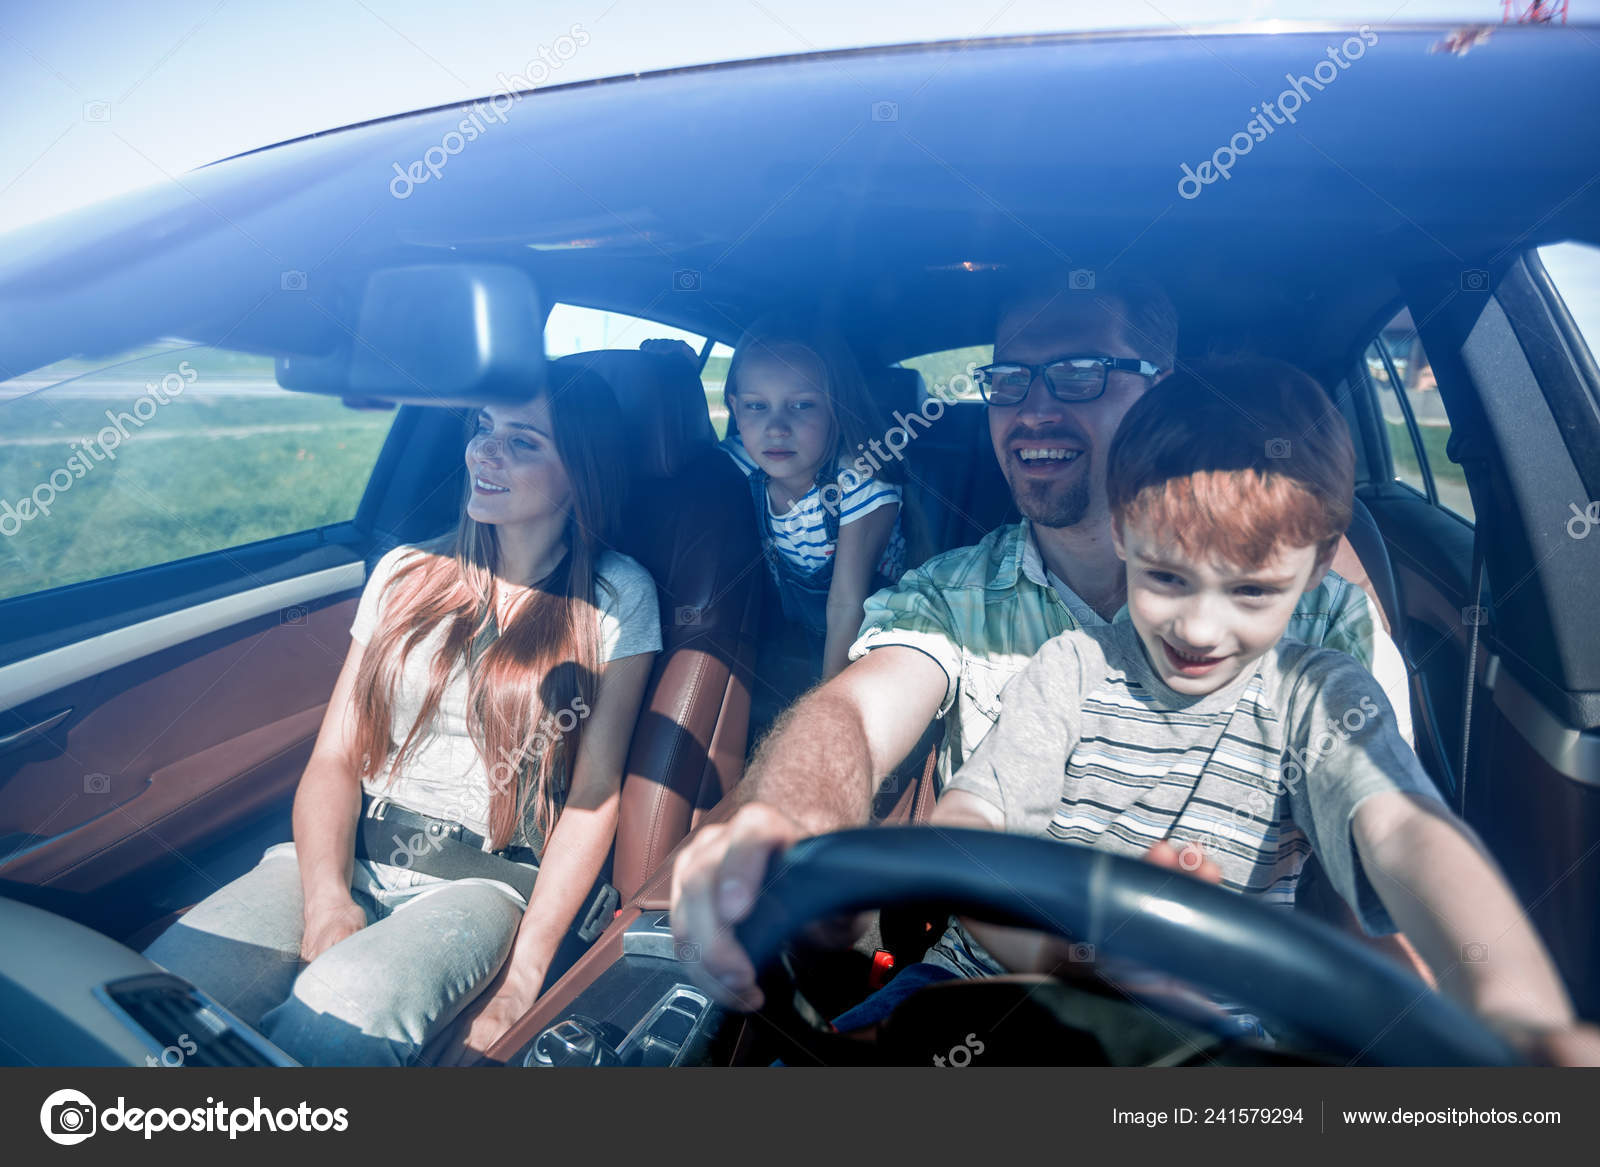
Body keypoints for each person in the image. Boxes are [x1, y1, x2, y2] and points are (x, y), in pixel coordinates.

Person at [671, 273, 1410, 1007]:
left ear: (1164, 392)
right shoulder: (951, 593)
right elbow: (852, 717)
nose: (1034, 411)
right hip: (978, 996)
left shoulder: (1316, 613)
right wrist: (793, 818)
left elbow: (1390, 845)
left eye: (1080, 375)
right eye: (1009, 381)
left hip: (1217, 1024)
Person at [854, 356, 1595, 1058]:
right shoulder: (1071, 670)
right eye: (1168, 578)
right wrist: (1063, 954)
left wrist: (1516, 1010)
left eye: (1250, 590)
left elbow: (1406, 831)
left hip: (1201, 1030)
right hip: (980, 983)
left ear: (1318, 565)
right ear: (1120, 531)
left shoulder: (1319, 700)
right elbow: (966, 827)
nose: (1200, 630)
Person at [143, 359, 660, 1066]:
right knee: (160, 997)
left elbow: (594, 801)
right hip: (347, 852)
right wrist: (326, 897)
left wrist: (525, 977)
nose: (486, 451)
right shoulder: (405, 571)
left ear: (583, 471)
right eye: (483, 428)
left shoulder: (617, 595)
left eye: (524, 440)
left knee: (338, 1015)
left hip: (482, 880)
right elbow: (334, 758)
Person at [719, 325, 912, 731]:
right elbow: (679, 457)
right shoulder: (746, 462)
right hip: (795, 625)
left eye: (802, 406)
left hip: (868, 631)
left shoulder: (859, 484)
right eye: (756, 406)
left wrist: (825, 711)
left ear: (836, 410)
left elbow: (847, 602)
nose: (776, 427)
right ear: (735, 409)